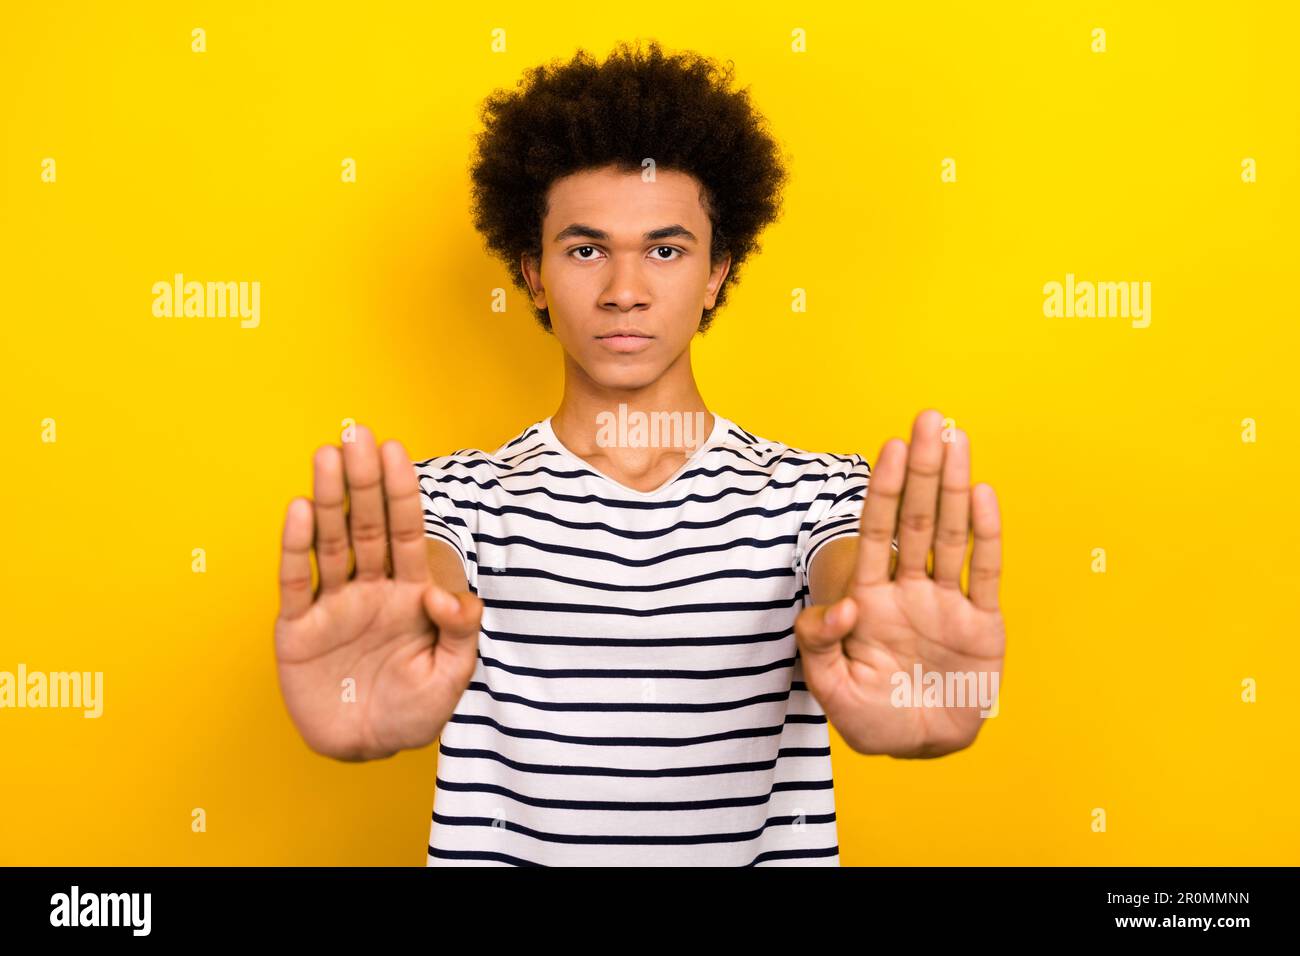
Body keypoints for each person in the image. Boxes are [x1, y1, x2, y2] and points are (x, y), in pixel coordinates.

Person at [274, 40, 1006, 866]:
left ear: (717, 273)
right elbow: (425, 580)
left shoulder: (824, 495)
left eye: (666, 249)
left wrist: (907, 667)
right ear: (535, 272)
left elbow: (853, 573)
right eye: (586, 249)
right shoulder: (451, 500)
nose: (625, 289)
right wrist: (385, 647)